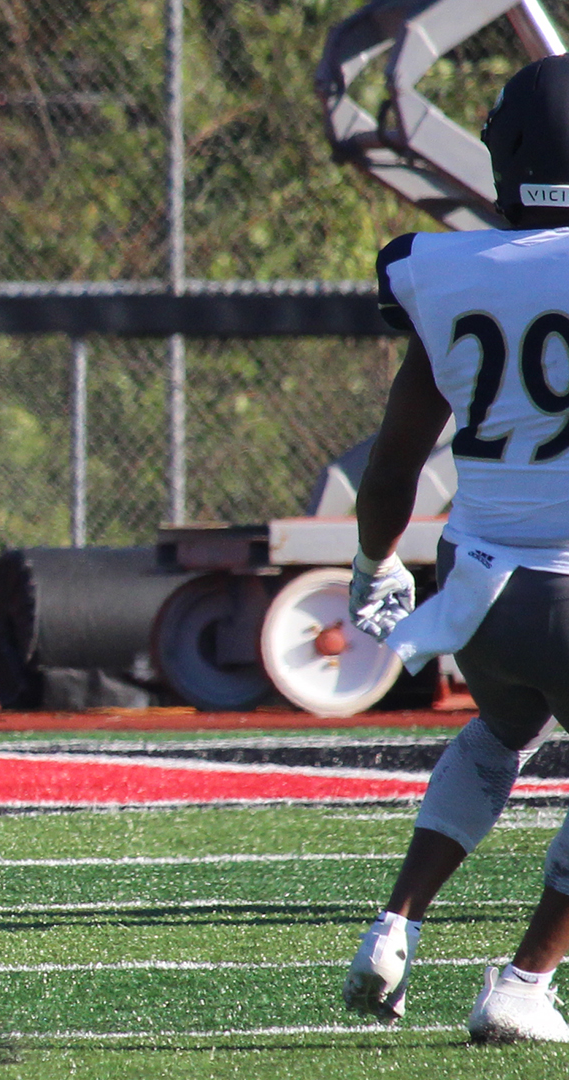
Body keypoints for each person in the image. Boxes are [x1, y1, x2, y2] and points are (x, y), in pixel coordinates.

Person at [342, 55, 569, 1043]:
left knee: (500, 731)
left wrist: (373, 565)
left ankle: (393, 927)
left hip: (475, 586)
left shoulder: (440, 271)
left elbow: (395, 457)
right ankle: (523, 983)